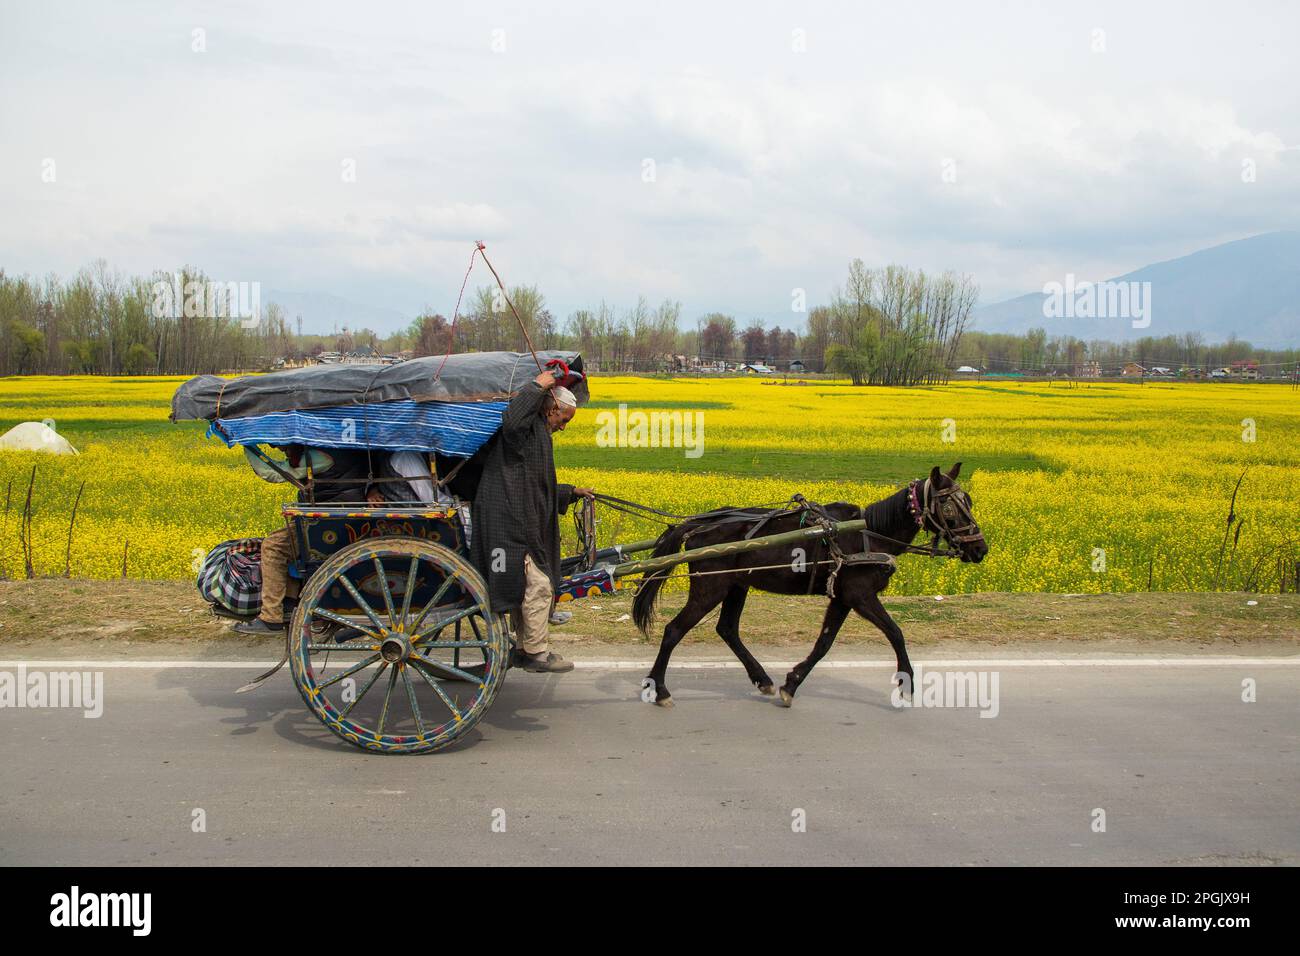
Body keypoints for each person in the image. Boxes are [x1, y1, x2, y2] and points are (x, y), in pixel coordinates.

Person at [469, 370, 594, 673]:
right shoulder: (523, 431)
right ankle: (536, 653)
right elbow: (511, 422)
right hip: (511, 524)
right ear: (551, 408)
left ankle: (526, 649)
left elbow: (539, 485)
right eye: (563, 419)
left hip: (521, 522)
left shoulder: (539, 436)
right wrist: (537, 386)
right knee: (539, 585)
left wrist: (571, 492)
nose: (563, 427)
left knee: (528, 587)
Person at [234, 445, 385, 635]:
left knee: (274, 545)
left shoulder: (318, 456)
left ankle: (271, 616)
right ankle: (289, 601)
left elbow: (271, 473)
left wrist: (246, 443)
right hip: (344, 516)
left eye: (285, 446)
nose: (283, 450)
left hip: (328, 521)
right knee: (287, 536)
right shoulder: (347, 448)